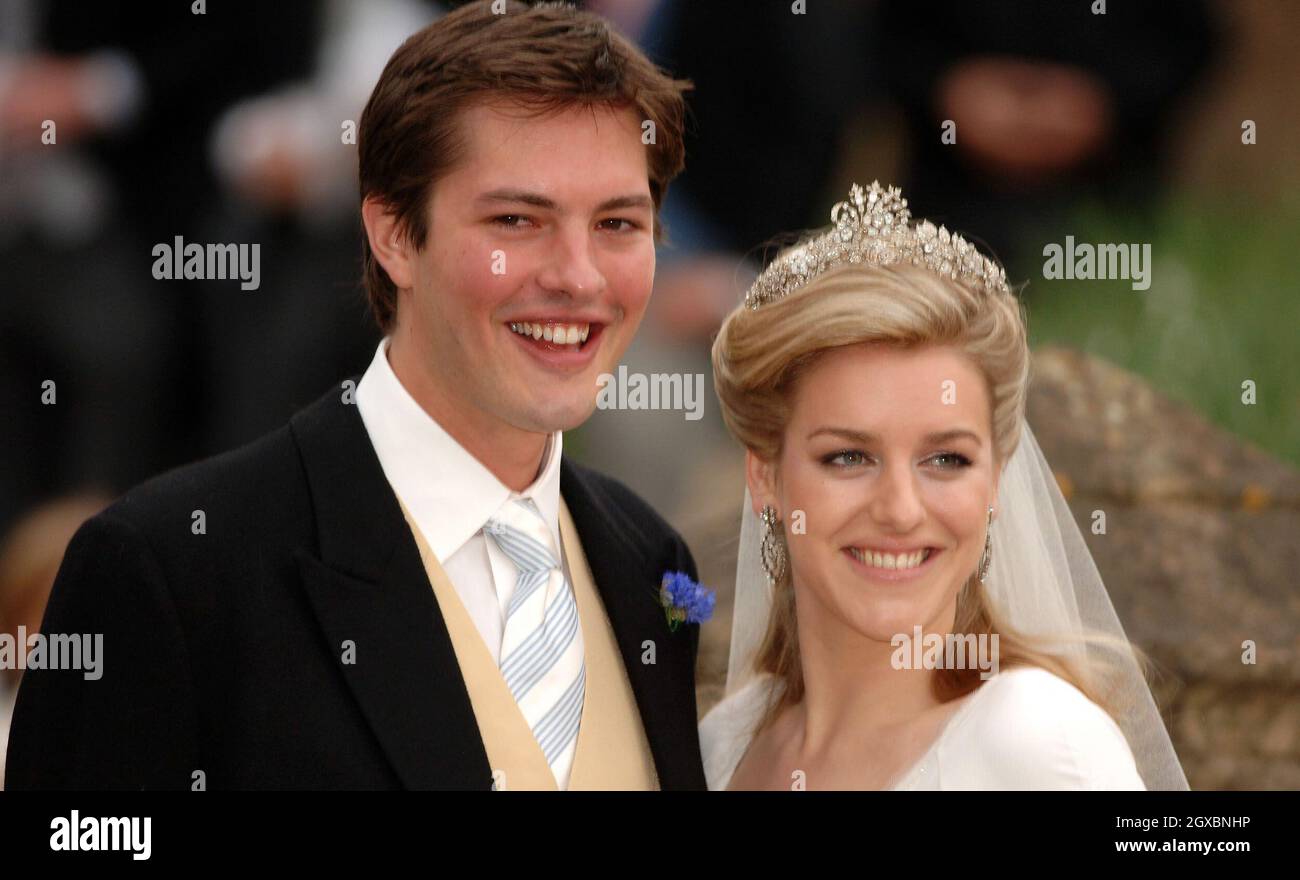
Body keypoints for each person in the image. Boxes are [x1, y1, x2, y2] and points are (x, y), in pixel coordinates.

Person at [6, 1, 704, 791]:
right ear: (394, 236)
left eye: (617, 223)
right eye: (517, 220)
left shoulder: (653, 569)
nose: (578, 276)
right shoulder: (169, 573)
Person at [700, 181, 1187, 790]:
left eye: (947, 460)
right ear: (765, 476)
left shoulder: (1041, 746)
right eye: (849, 456)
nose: (900, 510)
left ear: (996, 482)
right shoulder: (721, 749)